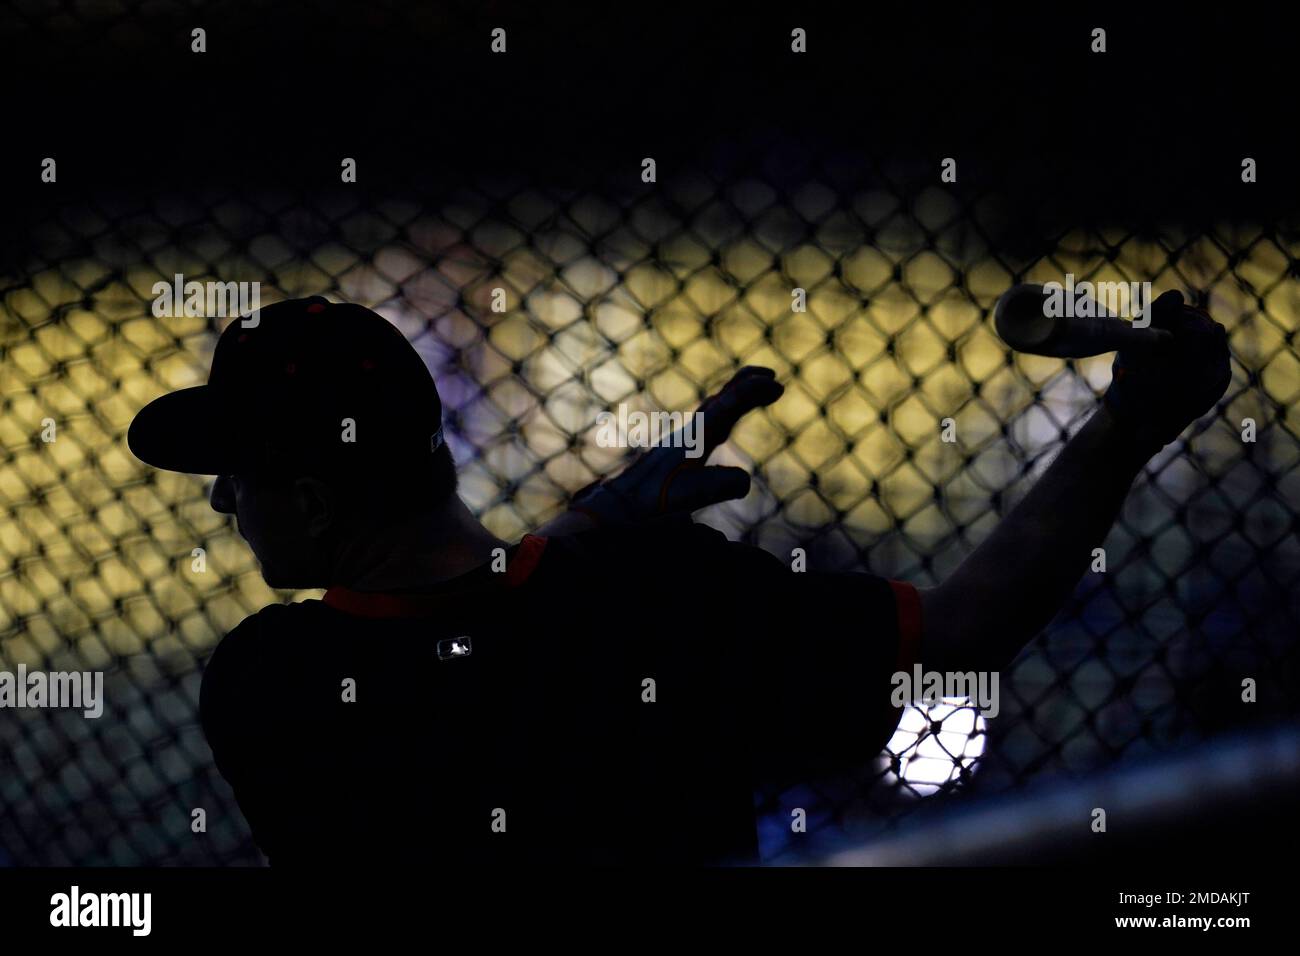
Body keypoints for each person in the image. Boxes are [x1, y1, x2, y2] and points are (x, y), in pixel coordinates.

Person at [127, 292, 1230, 865]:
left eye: (240, 478)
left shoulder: (268, 686)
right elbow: (962, 634)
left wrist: (579, 528)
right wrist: (1130, 421)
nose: (226, 501)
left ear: (316, 503)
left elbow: (453, 647)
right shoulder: (661, 603)